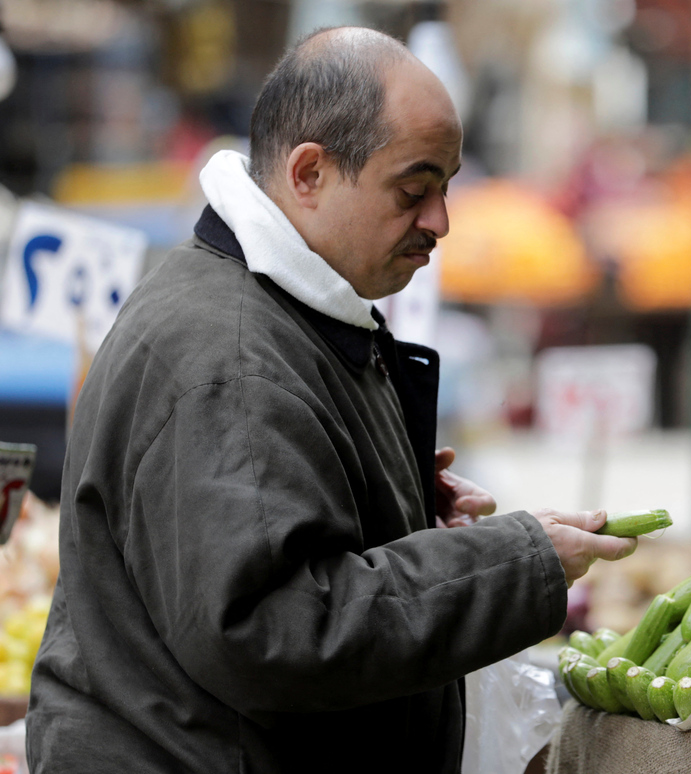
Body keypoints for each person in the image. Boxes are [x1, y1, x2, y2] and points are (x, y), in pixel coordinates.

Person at [27, 28, 636, 773]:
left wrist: (395, 506)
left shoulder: (280, 311)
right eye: (413, 190)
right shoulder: (231, 359)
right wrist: (510, 562)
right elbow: (279, 632)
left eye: (446, 186)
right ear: (309, 172)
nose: (440, 221)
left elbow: (272, 547)